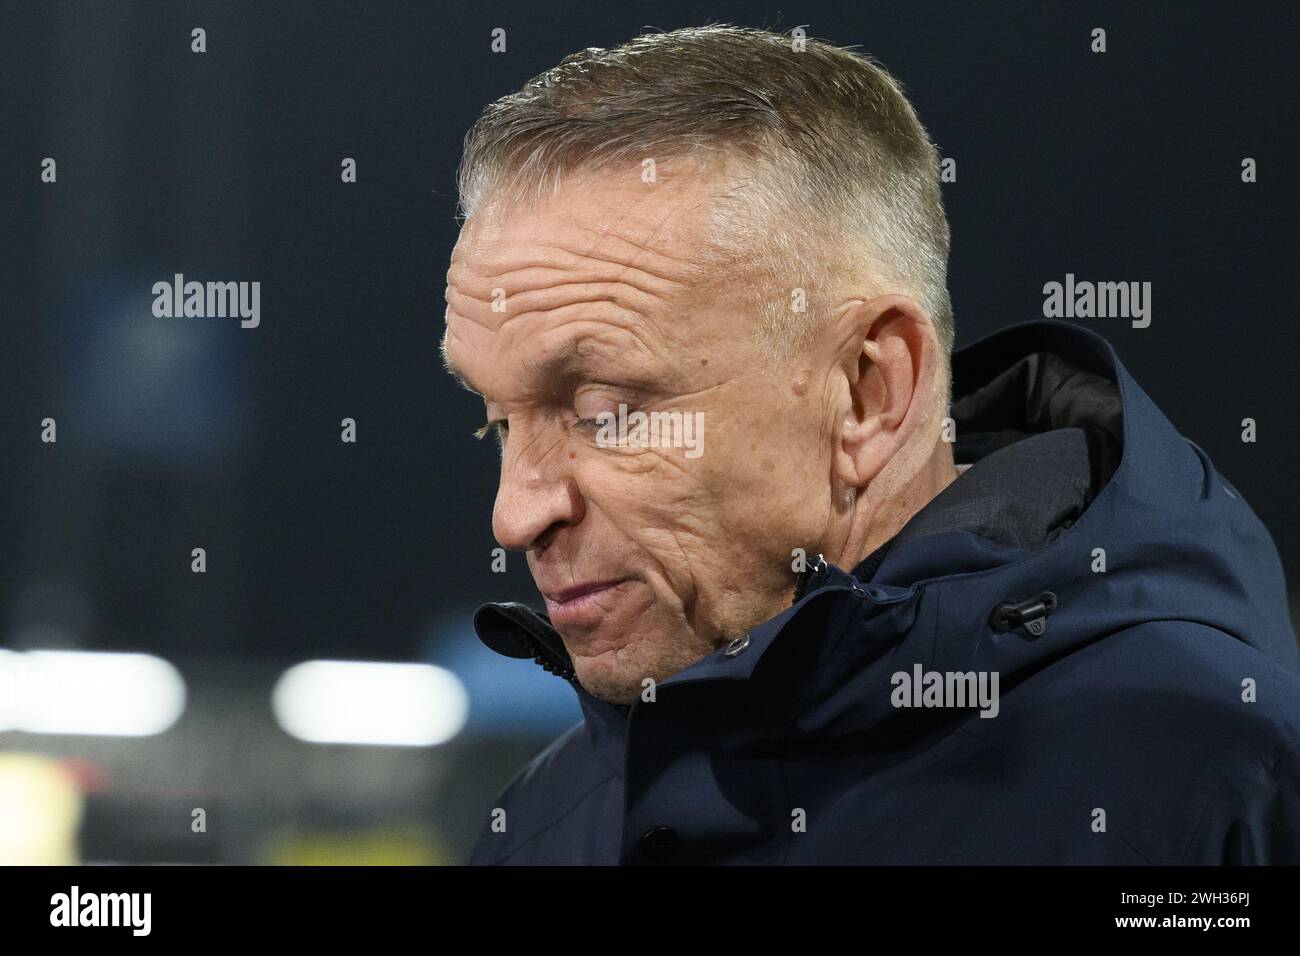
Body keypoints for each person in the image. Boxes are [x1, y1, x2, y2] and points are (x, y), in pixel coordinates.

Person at [440, 24, 1300, 864]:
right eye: (498, 421)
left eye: (605, 412)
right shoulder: (542, 819)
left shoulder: (1216, 786)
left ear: (868, 393)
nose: (515, 514)